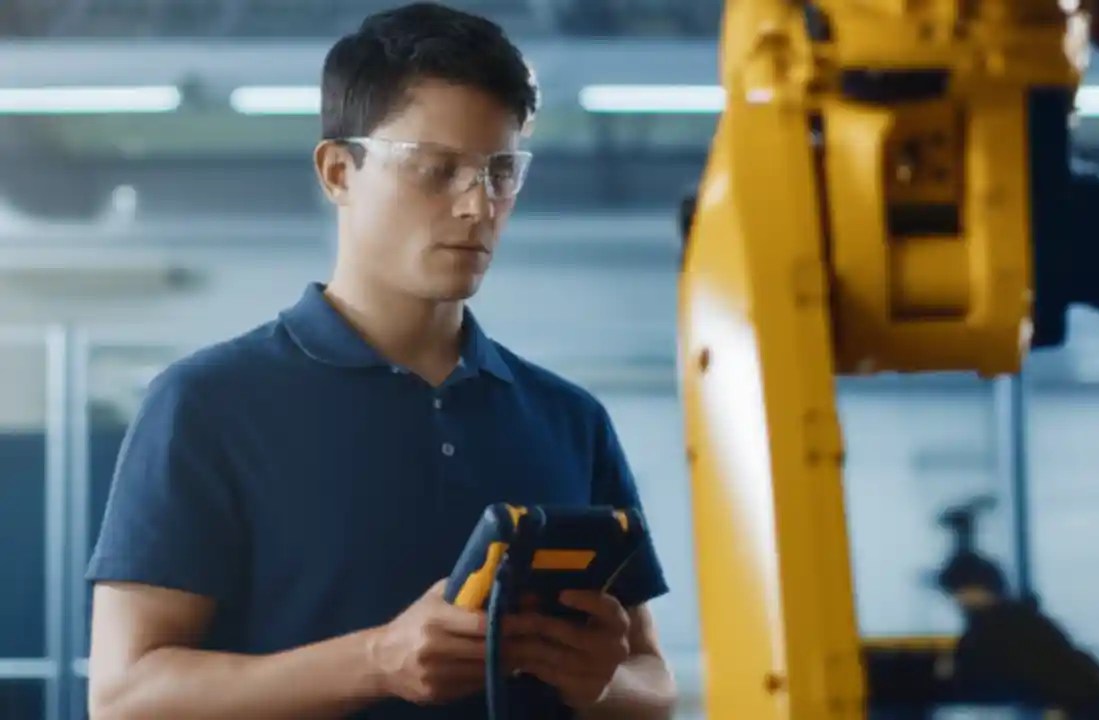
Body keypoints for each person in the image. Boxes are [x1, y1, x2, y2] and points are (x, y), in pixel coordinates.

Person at [83, 4, 677, 719]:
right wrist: (373, 663)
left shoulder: (570, 420)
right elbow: (124, 698)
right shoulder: (205, 405)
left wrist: (601, 685)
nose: (476, 207)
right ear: (339, 171)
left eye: (500, 172)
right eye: (436, 169)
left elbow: (653, 684)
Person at [937, 552, 1099, 720]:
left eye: (958, 593)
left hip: (1072, 707)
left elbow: (968, 677)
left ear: (974, 589)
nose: (957, 602)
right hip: (1090, 703)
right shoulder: (1028, 620)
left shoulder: (993, 627)